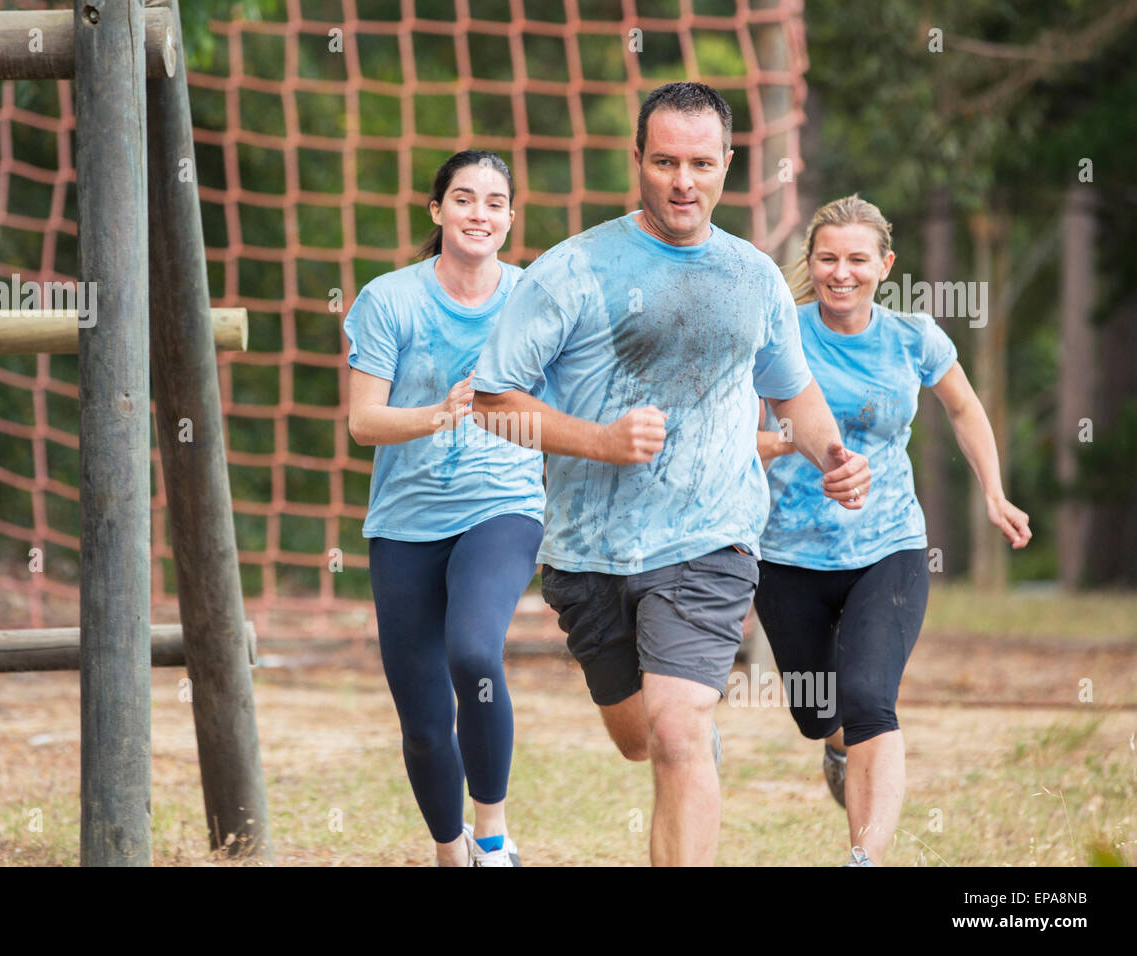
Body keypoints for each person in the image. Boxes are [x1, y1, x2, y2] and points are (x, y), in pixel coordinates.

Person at [471, 81, 872, 866]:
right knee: (641, 739)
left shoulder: (754, 276)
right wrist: (598, 441)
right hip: (589, 551)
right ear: (638, 162)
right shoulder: (574, 268)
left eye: (699, 162)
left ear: (727, 164)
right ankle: (687, 742)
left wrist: (833, 456)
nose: (682, 181)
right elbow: (492, 402)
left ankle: (690, 747)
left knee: (677, 727)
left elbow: (792, 392)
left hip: (709, 541)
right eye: (664, 162)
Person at [754, 194, 1032, 866]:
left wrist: (994, 489)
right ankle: (836, 745)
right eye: (827, 259)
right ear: (811, 263)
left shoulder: (915, 338)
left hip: (890, 547)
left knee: (870, 696)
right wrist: (795, 445)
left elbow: (964, 409)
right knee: (820, 713)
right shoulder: (777, 335)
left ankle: (865, 857)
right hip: (788, 554)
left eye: (856, 259)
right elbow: (738, 436)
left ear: (885, 265)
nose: (840, 273)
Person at [344, 150, 545, 867]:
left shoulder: (534, 296)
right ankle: (450, 851)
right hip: (404, 522)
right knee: (426, 724)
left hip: (503, 504)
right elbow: (363, 423)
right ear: (437, 211)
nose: (479, 214)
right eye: (464, 199)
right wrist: (439, 414)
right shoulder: (388, 300)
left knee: (474, 651)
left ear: (510, 219)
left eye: (495, 203)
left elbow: (570, 399)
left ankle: (492, 837)